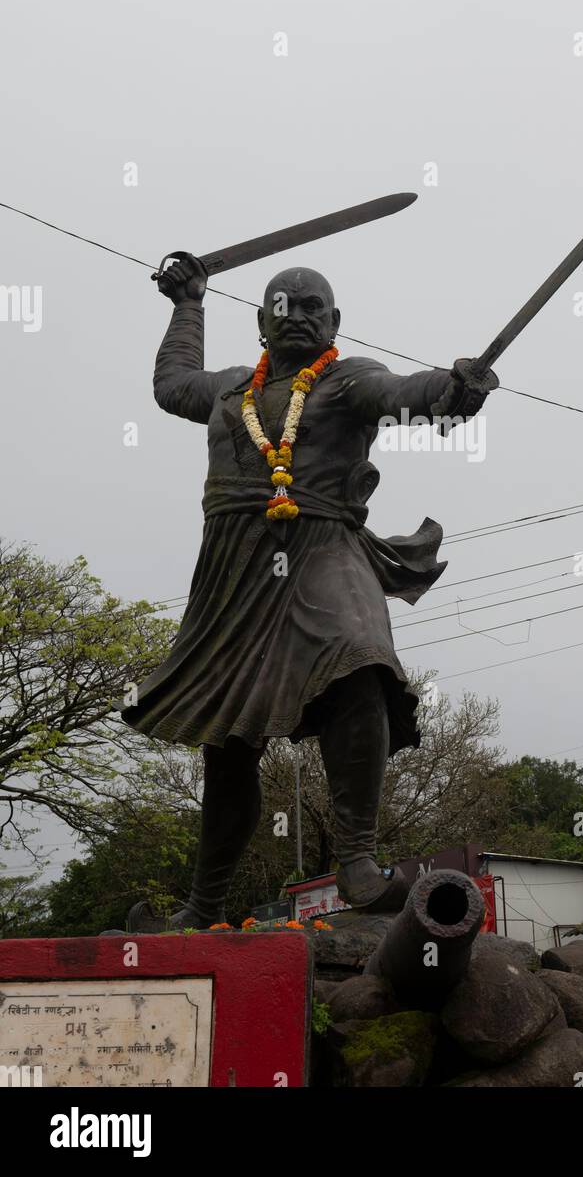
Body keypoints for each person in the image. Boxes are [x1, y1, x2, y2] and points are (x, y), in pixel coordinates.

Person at [122, 252, 497, 927]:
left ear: (336, 322)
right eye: (282, 306)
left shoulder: (347, 381)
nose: (297, 316)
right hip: (234, 571)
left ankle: (356, 859)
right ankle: (204, 906)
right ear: (263, 321)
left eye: (312, 308)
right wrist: (188, 304)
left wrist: (452, 387)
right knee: (229, 736)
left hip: (322, 547)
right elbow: (172, 383)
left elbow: (403, 392)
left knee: (359, 657)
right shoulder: (232, 390)